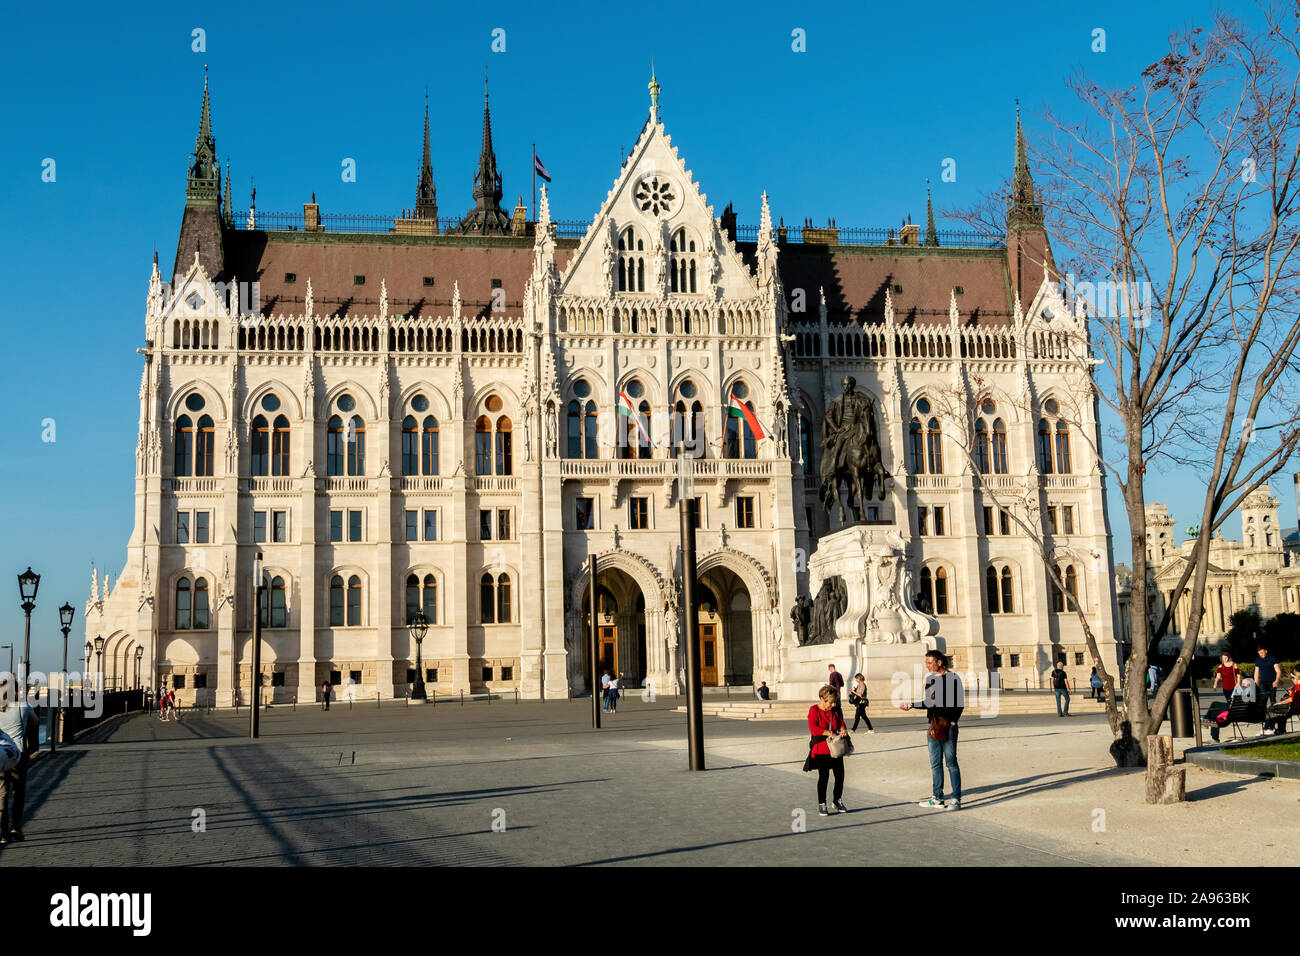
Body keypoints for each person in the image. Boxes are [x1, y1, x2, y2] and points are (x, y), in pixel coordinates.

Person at [901, 650, 964, 810]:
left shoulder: (953, 678)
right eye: (926, 662)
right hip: (933, 725)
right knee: (935, 763)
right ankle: (937, 797)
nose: (927, 665)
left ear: (939, 662)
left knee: (951, 763)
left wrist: (953, 722)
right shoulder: (930, 679)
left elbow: (959, 704)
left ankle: (956, 798)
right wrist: (912, 705)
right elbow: (929, 702)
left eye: (930, 662)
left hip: (947, 726)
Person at [0, 676, 38, 844]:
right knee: (18, 791)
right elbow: (35, 723)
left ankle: (2, 831)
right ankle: (15, 826)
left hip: (1, 755)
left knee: (2, 792)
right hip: (19, 755)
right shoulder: (24, 706)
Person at [805, 685, 850, 816]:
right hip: (821, 749)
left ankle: (837, 800)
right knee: (824, 776)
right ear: (821, 699)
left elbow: (841, 723)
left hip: (836, 748)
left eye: (834, 702)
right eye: (830, 702)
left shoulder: (834, 710)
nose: (832, 705)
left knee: (840, 775)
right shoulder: (814, 710)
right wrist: (828, 733)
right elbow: (813, 728)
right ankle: (822, 803)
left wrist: (843, 729)